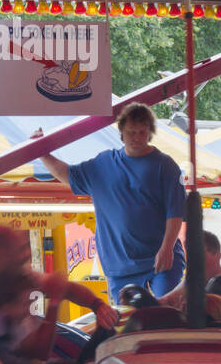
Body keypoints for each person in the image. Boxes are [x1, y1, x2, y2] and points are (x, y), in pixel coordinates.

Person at [33, 103, 186, 302]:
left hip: (161, 260)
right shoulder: (103, 164)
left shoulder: (165, 166)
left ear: (150, 133)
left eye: (142, 132)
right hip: (120, 266)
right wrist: (44, 154)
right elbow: (69, 175)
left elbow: (175, 212)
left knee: (167, 313)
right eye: (132, 132)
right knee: (129, 321)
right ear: (122, 132)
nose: (138, 138)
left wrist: (167, 248)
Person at [0, 225, 119, 335]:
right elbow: (37, 351)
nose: (25, 255)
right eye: (18, 250)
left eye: (25, 248)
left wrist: (98, 305)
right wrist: (53, 305)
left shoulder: (20, 275)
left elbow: (68, 289)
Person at [159, 231, 221, 307]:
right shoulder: (192, 279)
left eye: (199, 254)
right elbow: (168, 299)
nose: (194, 259)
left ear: (217, 255)